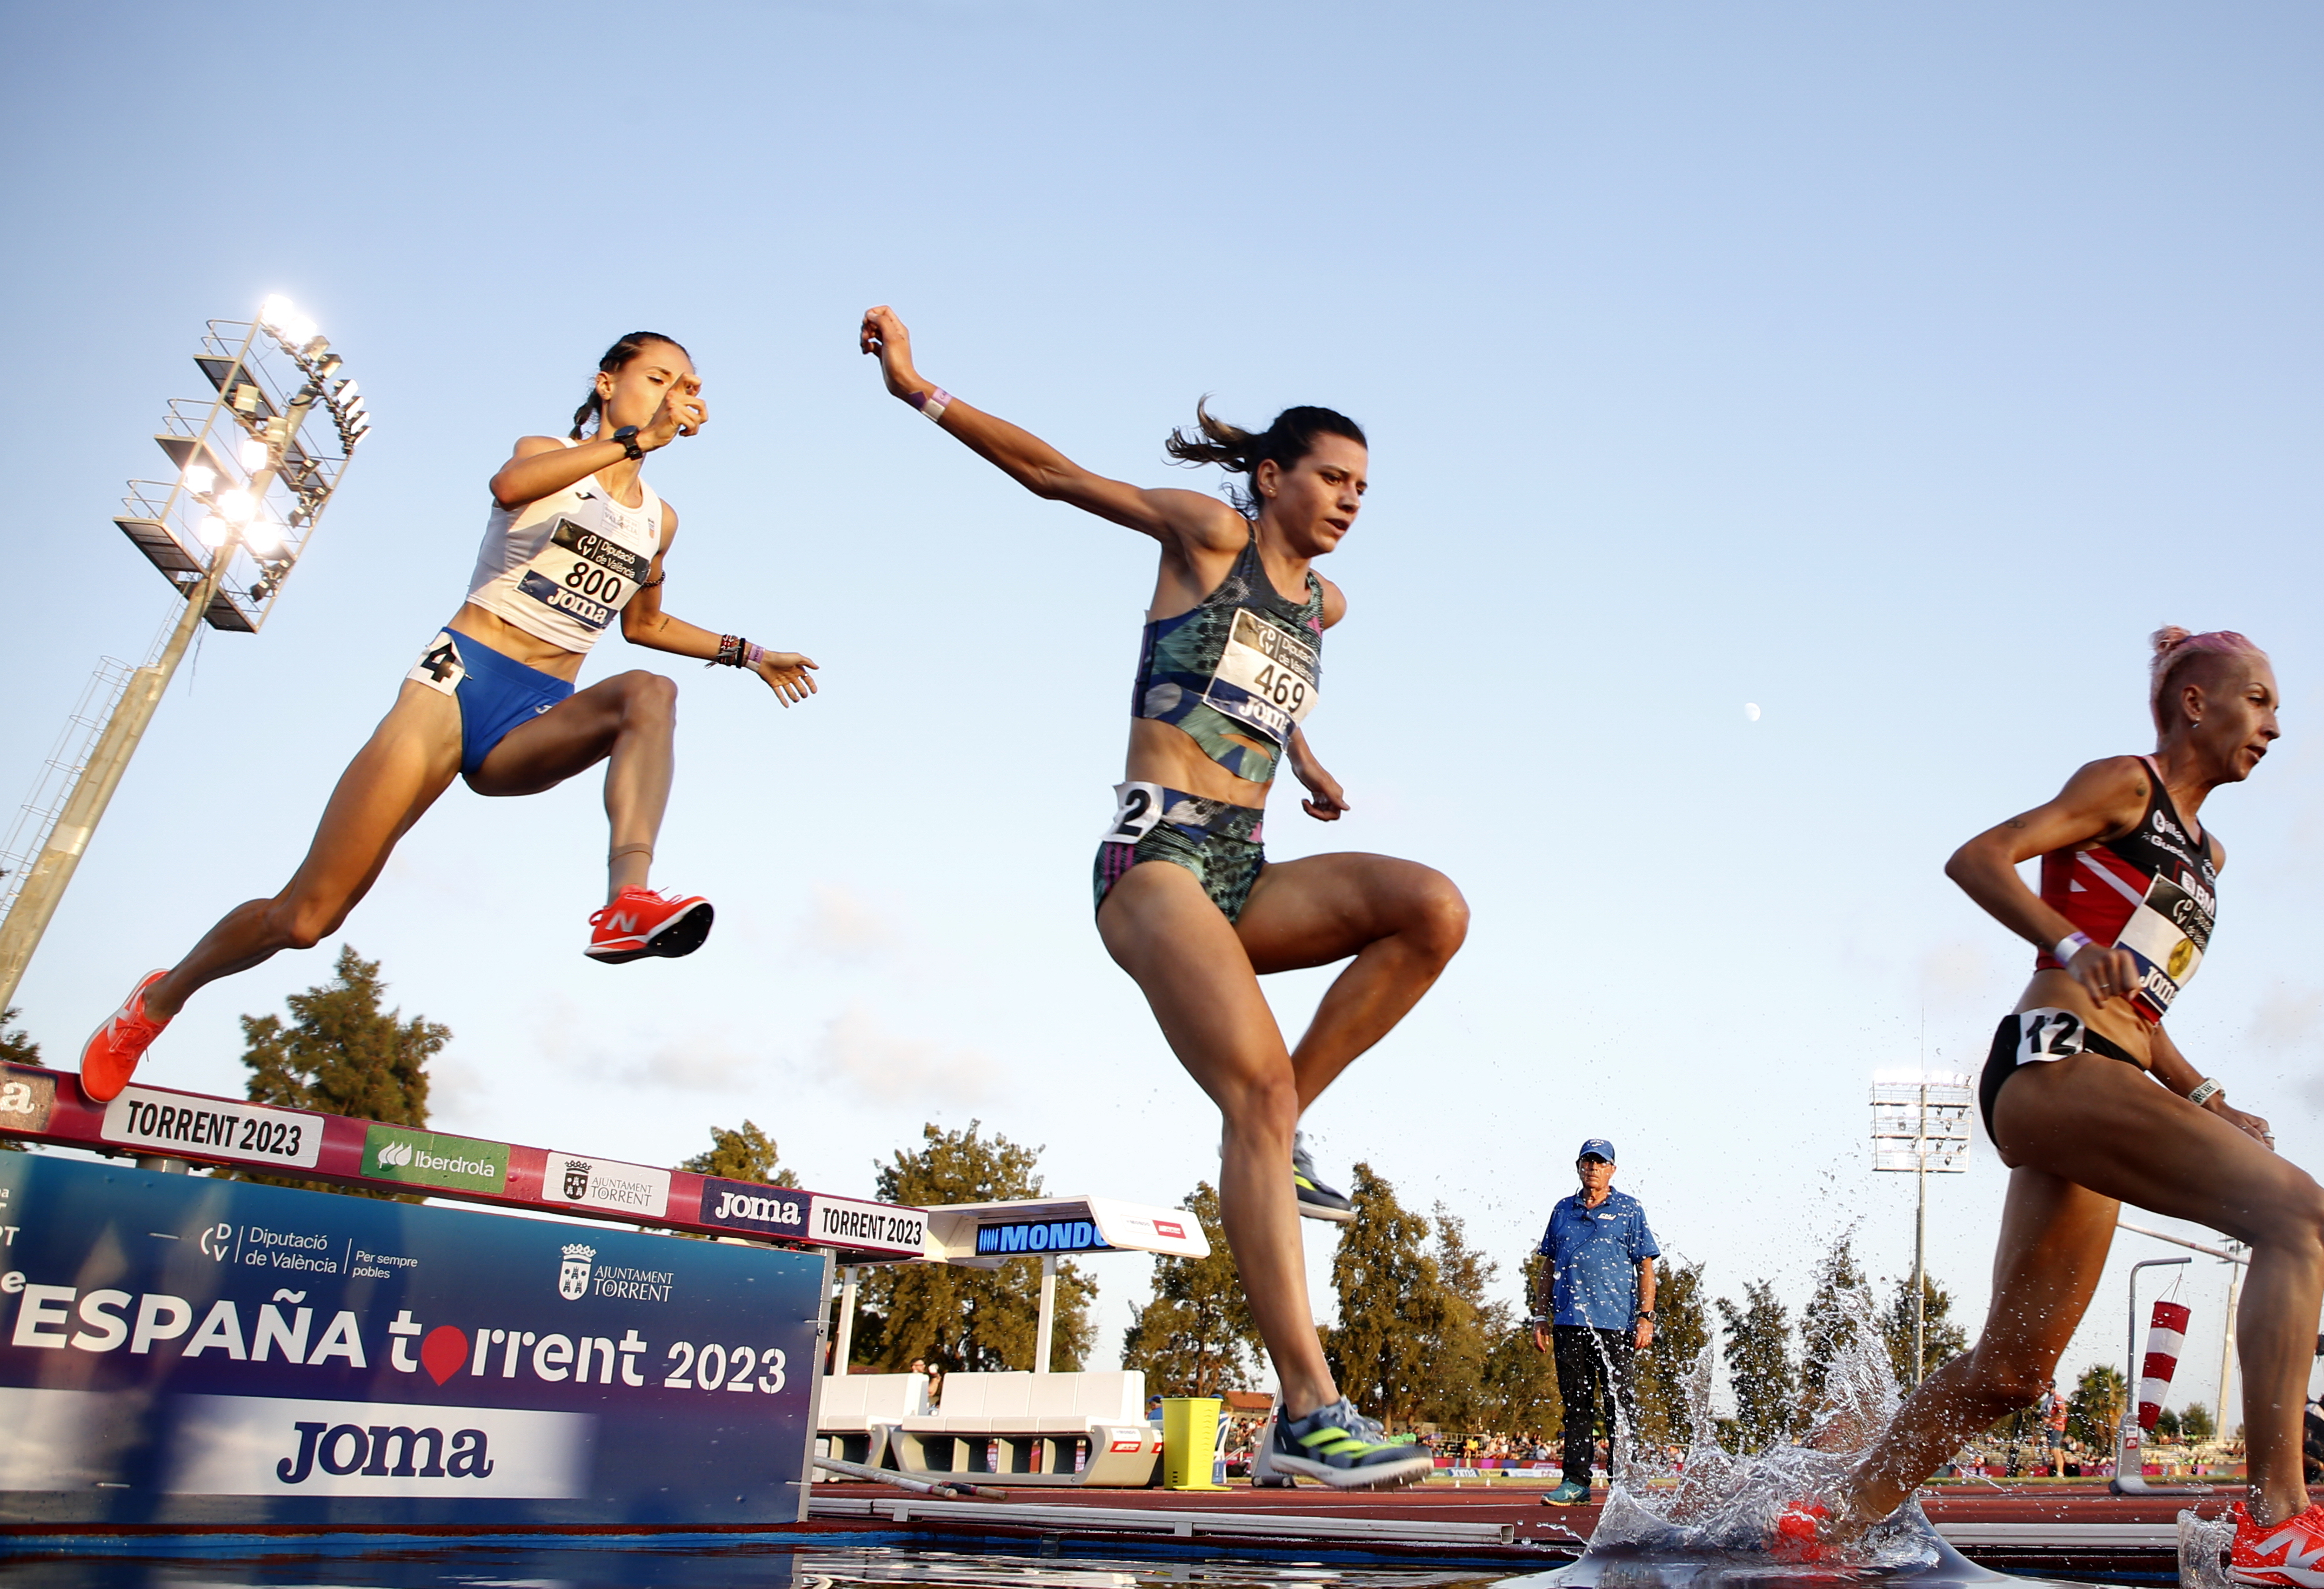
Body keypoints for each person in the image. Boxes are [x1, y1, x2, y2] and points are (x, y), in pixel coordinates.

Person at [858, 303, 1465, 1488]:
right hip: (1157, 864)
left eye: (1364, 489)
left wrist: (1305, 761)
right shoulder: (1205, 534)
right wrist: (920, 391)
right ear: (1272, 476)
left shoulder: (1324, 607)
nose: (1348, 501)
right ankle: (1305, 1411)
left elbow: (1264, 679)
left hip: (1245, 866)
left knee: (1432, 907)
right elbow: (1056, 477)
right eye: (1331, 479)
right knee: (1252, 1091)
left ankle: (1286, 1134)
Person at [1802, 628, 2324, 1589]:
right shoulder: (2124, 787)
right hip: (2055, 1062)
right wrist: (2063, 948)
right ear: (2194, 703)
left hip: (2110, 1078)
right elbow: (1978, 858)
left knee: (2011, 1374)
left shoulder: (2208, 854)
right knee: (2300, 1216)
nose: (2272, 722)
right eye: (2256, 699)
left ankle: (1833, 1521)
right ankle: (2275, 1522)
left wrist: (2202, 1094)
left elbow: (2141, 1005)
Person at [77, 332, 818, 1103]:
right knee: (304, 919)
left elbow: (644, 626)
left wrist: (750, 652)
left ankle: (626, 903)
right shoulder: (548, 453)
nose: (673, 394)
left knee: (650, 691)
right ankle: (156, 1002)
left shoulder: (658, 522)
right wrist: (632, 444)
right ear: (607, 384)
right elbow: (508, 487)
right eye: (656, 378)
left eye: (686, 385)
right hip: (452, 688)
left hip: (533, 716)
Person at [1531, 1139, 1661, 1507]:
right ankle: (1575, 1482)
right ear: (1578, 1167)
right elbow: (1548, 1266)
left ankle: (1624, 1485)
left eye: (1600, 1163)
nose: (1593, 1168)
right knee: (1576, 1405)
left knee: (1620, 1404)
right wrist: (1541, 1315)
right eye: (1587, 1162)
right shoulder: (1563, 1210)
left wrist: (1646, 1317)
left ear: (1612, 1170)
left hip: (1616, 1324)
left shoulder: (1629, 1210)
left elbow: (1646, 1266)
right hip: (1569, 1322)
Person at [2037, 1377, 2070, 1479]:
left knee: (2055, 1449)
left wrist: (2051, 1420)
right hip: (2050, 1427)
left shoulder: (2057, 1397)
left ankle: (2060, 1472)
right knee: (2053, 1449)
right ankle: (2058, 1470)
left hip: (2057, 1426)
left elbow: (2063, 1412)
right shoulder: (2047, 1400)